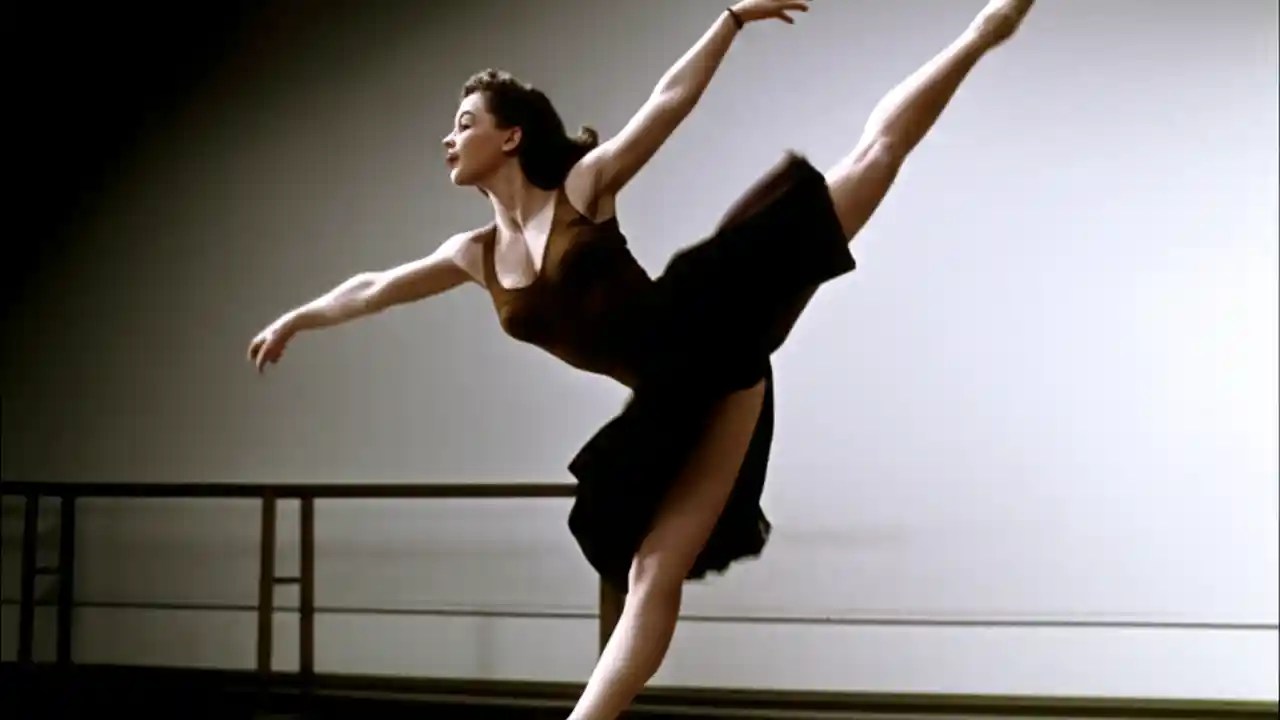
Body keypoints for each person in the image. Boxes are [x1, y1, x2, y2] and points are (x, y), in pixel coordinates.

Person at [248, 0, 1035, 716]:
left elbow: (667, 103)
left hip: (712, 319)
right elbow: (376, 287)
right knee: (650, 572)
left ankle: (986, 26)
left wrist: (730, 20)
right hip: (677, 395)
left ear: (510, 136)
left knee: (872, 159)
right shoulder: (473, 254)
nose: (448, 138)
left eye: (464, 122)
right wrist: (297, 318)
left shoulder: (583, 189)